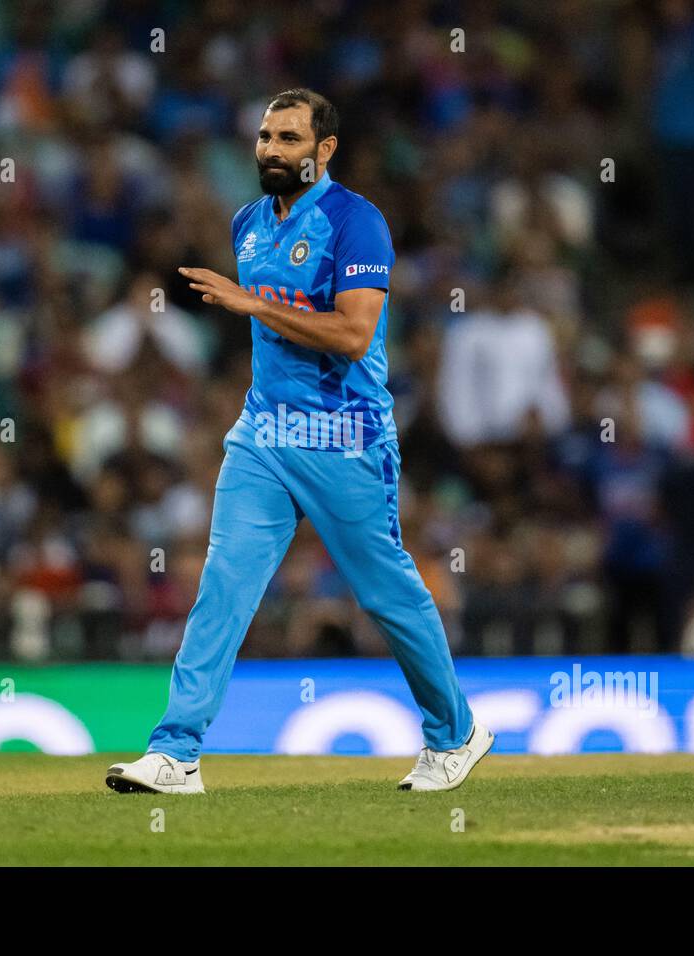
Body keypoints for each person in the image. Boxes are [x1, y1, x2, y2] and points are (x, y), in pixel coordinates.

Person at [106, 89, 492, 794]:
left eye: (288, 138)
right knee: (223, 584)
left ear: (325, 149)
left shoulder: (357, 222)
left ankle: (455, 734)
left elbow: (352, 335)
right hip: (263, 436)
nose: (271, 151)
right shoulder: (248, 222)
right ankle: (176, 752)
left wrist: (254, 303)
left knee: (384, 595)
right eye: (264, 137)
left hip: (348, 438)